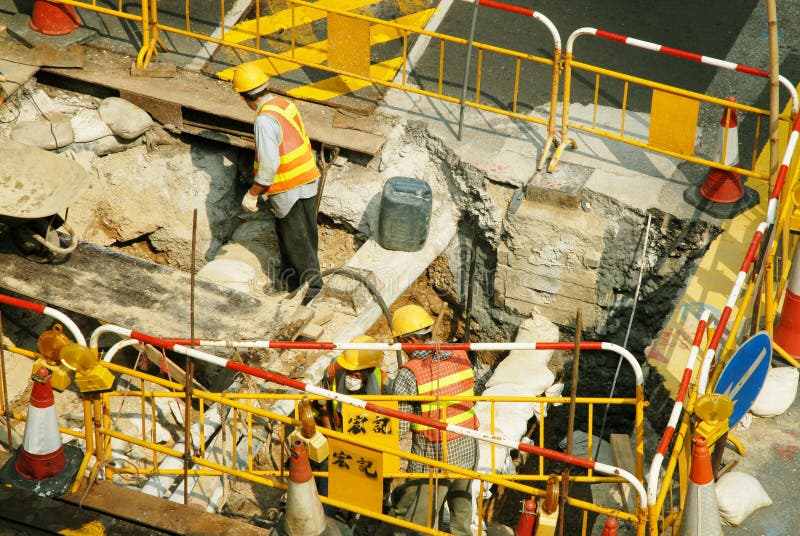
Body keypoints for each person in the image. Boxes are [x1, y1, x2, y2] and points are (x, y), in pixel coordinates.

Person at [231, 63, 322, 305]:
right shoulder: (284, 104)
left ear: (244, 97)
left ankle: (312, 290)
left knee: (296, 240)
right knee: (300, 234)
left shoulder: (263, 121)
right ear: (266, 86)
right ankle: (288, 282)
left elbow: (268, 169)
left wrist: (252, 194)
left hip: (287, 185)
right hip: (307, 177)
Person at [388, 304, 479, 536]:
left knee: (418, 523)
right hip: (469, 449)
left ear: (408, 340)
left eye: (400, 342)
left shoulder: (410, 372)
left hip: (434, 459)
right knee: (461, 519)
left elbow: (399, 426)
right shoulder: (460, 354)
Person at [313, 335, 386, 518]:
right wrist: (332, 437)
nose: (351, 377)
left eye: (356, 374)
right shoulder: (333, 372)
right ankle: (326, 519)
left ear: (369, 370)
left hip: (364, 441)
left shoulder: (382, 380)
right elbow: (322, 405)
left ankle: (356, 516)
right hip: (334, 433)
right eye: (349, 372)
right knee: (328, 477)